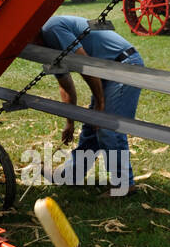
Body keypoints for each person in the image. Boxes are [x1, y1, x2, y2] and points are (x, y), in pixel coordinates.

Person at [39, 14, 144, 197]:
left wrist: (100, 103)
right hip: (106, 69)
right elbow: (66, 85)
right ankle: (72, 175)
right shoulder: (42, 45)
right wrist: (70, 123)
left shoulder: (51, 28)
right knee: (90, 127)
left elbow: (86, 64)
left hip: (124, 64)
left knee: (107, 126)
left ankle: (124, 185)